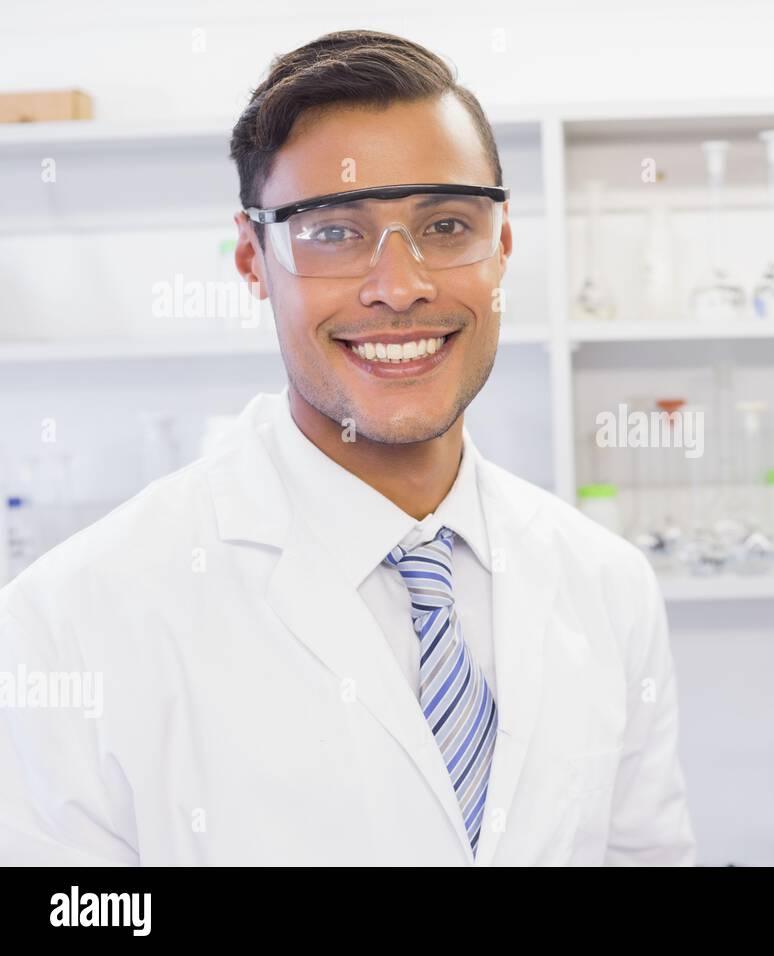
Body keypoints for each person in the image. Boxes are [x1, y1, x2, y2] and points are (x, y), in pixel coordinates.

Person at [0, 30, 695, 866]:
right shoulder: (70, 619)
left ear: (503, 247)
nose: (400, 286)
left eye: (445, 225)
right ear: (252, 259)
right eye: (332, 232)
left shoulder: (608, 585)